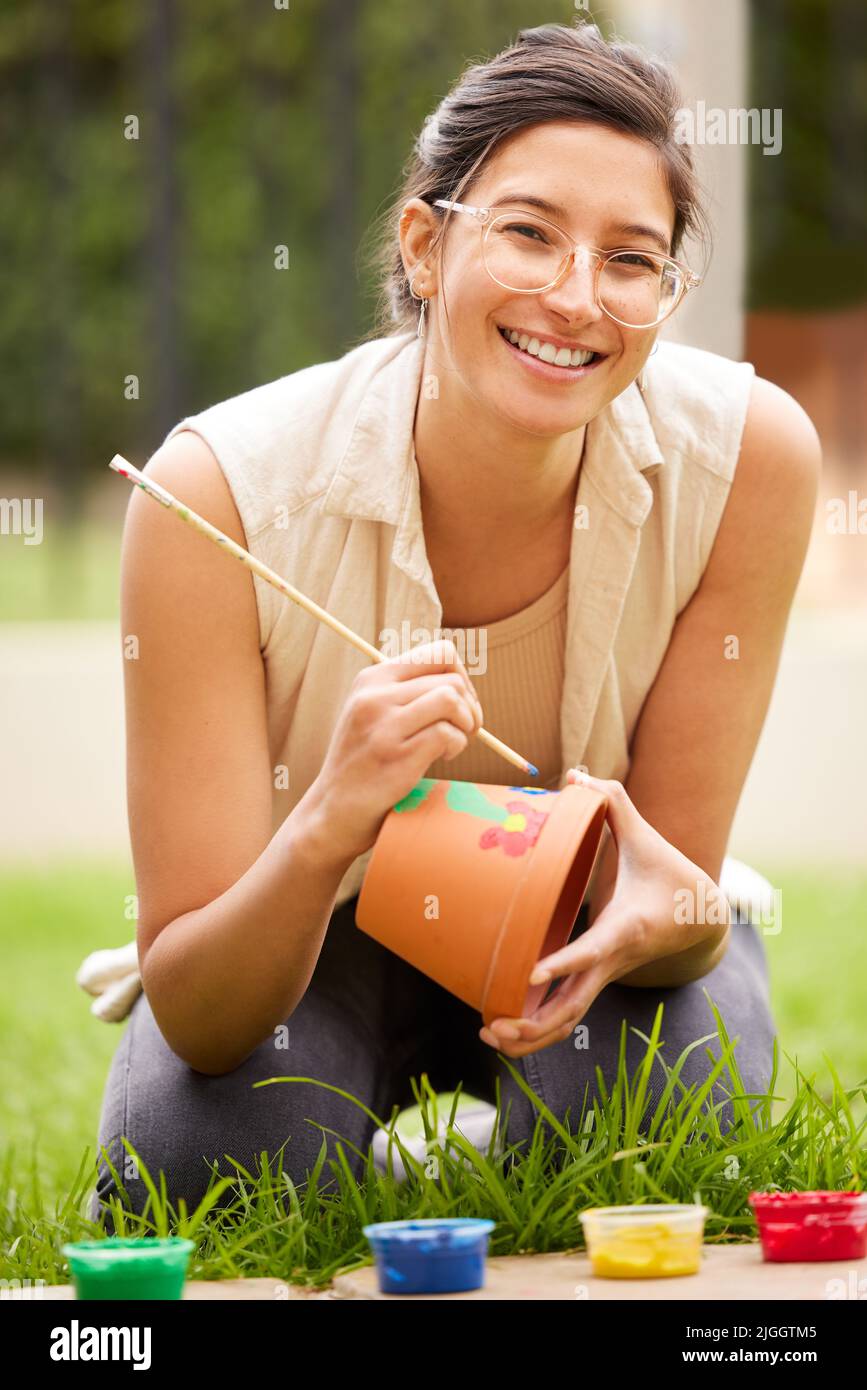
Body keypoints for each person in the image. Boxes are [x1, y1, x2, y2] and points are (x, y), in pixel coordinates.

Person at [90, 20, 819, 1226]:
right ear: (427, 245)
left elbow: (677, 902)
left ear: (665, 292)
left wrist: (672, 918)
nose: (577, 298)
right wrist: (330, 816)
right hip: (311, 932)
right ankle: (391, 1143)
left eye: (631, 259)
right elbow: (204, 1006)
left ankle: (474, 1157)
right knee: (205, 1162)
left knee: (663, 1129)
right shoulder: (213, 492)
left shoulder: (749, 458)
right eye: (528, 232)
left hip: (576, 930)